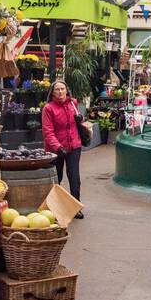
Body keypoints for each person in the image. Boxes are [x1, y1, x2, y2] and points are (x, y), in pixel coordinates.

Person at [41, 79, 87, 216]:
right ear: (53, 92)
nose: (60, 92)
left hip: (74, 145)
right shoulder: (48, 108)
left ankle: (76, 206)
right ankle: (55, 207)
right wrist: (57, 146)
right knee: (57, 177)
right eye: (57, 89)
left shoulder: (73, 103)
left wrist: (81, 119)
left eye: (62, 89)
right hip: (57, 148)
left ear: (66, 90)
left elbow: (79, 122)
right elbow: (47, 131)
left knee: (74, 177)